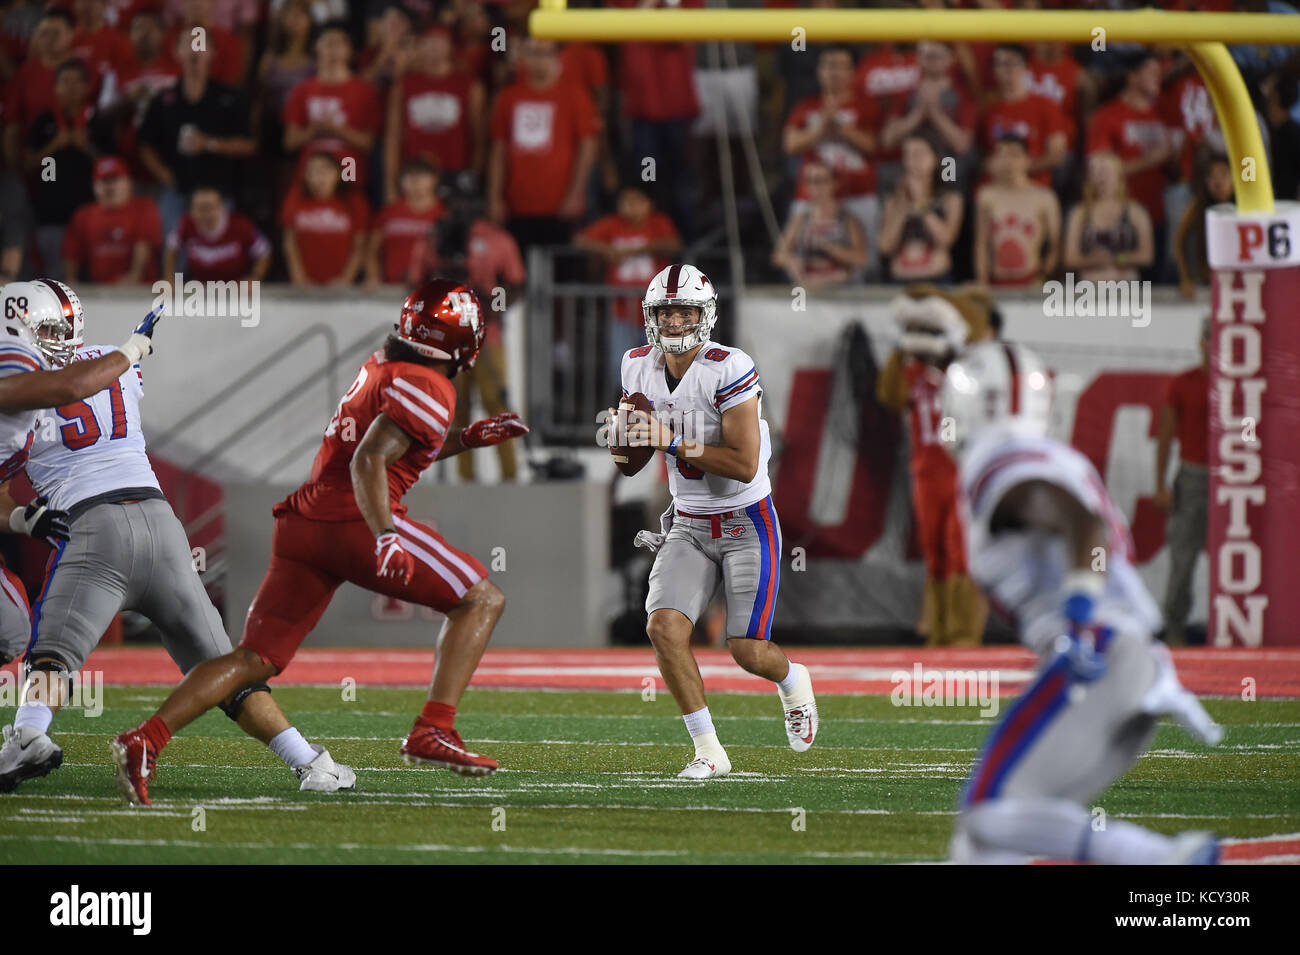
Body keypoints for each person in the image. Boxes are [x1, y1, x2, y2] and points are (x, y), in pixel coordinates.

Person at [111, 281, 531, 805]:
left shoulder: (386, 365)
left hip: (305, 519)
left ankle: (145, 739)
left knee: (253, 658)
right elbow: (370, 459)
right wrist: (385, 536)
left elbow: (395, 443)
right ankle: (433, 727)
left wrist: (467, 438)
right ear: (462, 343)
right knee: (481, 598)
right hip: (352, 519)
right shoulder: (430, 384)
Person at [0, 278, 352, 795]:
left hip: (92, 528)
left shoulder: (28, 383)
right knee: (221, 666)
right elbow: (100, 381)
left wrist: (23, 514)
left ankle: (28, 734)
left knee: (51, 654)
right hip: (162, 525)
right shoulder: (112, 363)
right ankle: (310, 763)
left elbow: (59, 394)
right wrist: (129, 349)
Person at [940, 341, 1222, 864]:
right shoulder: (1052, 455)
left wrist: (1079, 610)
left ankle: (1167, 862)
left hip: (1099, 656)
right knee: (984, 843)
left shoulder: (998, 459)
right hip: (1125, 661)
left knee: (988, 811)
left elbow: (1085, 526)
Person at [618, 263, 818, 779]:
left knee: (747, 651)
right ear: (650, 316)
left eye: (685, 311)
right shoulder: (636, 365)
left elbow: (744, 463)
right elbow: (628, 452)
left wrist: (667, 438)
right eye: (666, 312)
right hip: (687, 521)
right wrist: (624, 441)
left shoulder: (728, 367)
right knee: (664, 627)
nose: (676, 322)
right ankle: (709, 750)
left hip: (746, 520)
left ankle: (793, 680)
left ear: (705, 315)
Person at [876, 286, 989, 647]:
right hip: (925, 472)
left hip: (959, 472)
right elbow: (889, 395)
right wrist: (899, 345)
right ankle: (940, 629)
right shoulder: (916, 375)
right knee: (934, 551)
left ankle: (963, 631)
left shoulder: (966, 372)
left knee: (960, 551)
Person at [487, 37, 599, 258]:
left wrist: (576, 193)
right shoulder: (508, 97)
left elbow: (588, 147)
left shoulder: (575, 95)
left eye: (546, 54)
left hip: (560, 204)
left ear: (557, 58)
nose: (539, 60)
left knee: (562, 276)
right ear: (524, 57)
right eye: (534, 53)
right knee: (519, 275)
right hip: (517, 203)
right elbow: (498, 150)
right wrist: (494, 197)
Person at [574, 183, 682, 386]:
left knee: (661, 366)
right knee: (621, 366)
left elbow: (673, 243)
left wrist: (635, 251)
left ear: (649, 204)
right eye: (625, 201)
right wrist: (605, 249)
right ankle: (627, 410)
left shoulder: (658, 223)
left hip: (657, 314)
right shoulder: (612, 223)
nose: (629, 207)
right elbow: (579, 240)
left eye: (636, 201)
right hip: (621, 311)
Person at [1086, 52, 1177, 278]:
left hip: (1158, 211)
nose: (1159, 77)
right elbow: (1098, 171)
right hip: (1121, 218)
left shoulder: (1163, 114)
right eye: (1152, 73)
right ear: (1133, 77)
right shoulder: (1108, 116)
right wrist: (1149, 160)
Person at [1154, 319, 1209, 646]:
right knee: (1182, 559)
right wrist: (1160, 484)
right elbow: (1165, 436)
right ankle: (1175, 632)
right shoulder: (1184, 383)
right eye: (1209, 339)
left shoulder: (1243, 384)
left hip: (1234, 475)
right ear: (1201, 342)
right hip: (1193, 476)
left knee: (1243, 559)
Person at [973, 134, 1061, 288]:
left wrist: (1043, 279)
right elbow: (981, 243)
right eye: (1002, 155)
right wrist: (982, 282)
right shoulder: (986, 196)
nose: (1008, 161)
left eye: (1014, 155)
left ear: (1028, 160)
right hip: (996, 281)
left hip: (1031, 280)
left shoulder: (1044, 197)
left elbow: (1055, 246)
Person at [62, 156, 163, 285]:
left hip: (139, 291)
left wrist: (134, 275)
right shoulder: (83, 214)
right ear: (94, 186)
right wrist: (71, 280)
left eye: (115, 180)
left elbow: (144, 244)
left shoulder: (145, 208)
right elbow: (71, 252)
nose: (109, 186)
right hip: (98, 290)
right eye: (104, 181)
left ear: (128, 182)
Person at [877, 133, 964, 283]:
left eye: (919, 154)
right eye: (907, 154)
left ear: (935, 159)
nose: (912, 160)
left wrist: (920, 203)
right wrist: (902, 207)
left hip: (938, 279)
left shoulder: (950, 198)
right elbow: (885, 246)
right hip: (899, 280)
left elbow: (945, 239)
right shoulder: (894, 200)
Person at [979, 44, 1069, 187]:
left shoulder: (1046, 105)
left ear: (1026, 67)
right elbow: (981, 154)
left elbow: (1057, 153)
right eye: (1000, 63)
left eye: (1012, 63)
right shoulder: (988, 109)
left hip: (1034, 186)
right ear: (994, 70)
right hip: (994, 188)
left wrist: (1018, 168)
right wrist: (989, 165)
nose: (1007, 69)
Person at [770, 160, 869, 289]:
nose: (814, 187)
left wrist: (829, 248)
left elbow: (862, 259)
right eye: (809, 181)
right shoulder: (801, 219)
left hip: (838, 288)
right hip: (808, 286)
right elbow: (778, 255)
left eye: (819, 181)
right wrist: (791, 261)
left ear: (834, 184)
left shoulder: (847, 220)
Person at [1062, 151, 1154, 283]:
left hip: (1125, 286)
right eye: (1097, 173)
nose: (1102, 178)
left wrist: (1117, 258)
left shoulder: (1136, 212)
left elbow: (1146, 256)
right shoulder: (1079, 213)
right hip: (1089, 287)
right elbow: (1069, 259)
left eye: (1107, 172)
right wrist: (1092, 261)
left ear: (1119, 176)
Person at [280, 151, 369, 287]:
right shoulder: (296, 198)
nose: (319, 176)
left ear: (338, 174)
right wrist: (298, 277)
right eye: (313, 171)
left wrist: (346, 280)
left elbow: (360, 245)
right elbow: (290, 241)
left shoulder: (353, 201)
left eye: (325, 170)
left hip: (342, 285)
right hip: (305, 284)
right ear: (306, 176)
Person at [365, 158, 445, 289]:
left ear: (435, 180)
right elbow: (371, 251)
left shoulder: (444, 214)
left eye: (422, 175)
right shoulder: (388, 213)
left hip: (431, 290)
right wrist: (373, 277)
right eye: (409, 175)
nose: (415, 181)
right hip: (390, 290)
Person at [164, 185, 271, 284]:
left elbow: (264, 252)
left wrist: (255, 278)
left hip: (236, 291)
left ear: (222, 208)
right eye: (200, 209)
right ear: (192, 210)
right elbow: (171, 248)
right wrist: (169, 278)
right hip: (201, 289)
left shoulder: (241, 225)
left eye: (210, 208)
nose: (206, 214)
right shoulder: (186, 225)